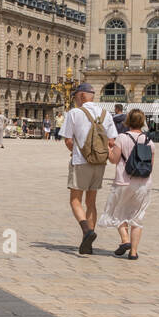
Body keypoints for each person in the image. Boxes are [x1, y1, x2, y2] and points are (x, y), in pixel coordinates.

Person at [60, 82, 117, 255]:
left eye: (76, 96)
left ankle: (87, 231)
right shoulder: (106, 114)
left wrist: (76, 152)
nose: (76, 100)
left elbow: (68, 139)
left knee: (75, 200)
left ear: (82, 95)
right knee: (91, 202)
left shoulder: (75, 113)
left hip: (80, 161)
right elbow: (112, 141)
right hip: (99, 163)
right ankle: (88, 245)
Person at [100, 108, 155, 260]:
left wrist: (108, 147)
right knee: (137, 217)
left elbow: (114, 160)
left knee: (116, 212)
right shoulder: (149, 141)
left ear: (128, 121)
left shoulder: (122, 138)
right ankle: (133, 252)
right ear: (143, 122)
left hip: (123, 182)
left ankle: (125, 240)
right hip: (143, 184)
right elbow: (151, 166)